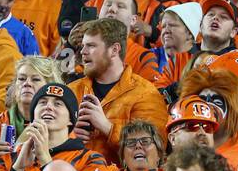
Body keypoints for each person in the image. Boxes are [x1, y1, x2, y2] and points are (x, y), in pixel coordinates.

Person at [68, 17, 170, 163]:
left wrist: (107, 128)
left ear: (114, 50)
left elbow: (155, 151)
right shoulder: (72, 90)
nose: (83, 52)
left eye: (91, 46)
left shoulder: (146, 94)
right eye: (83, 45)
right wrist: (71, 136)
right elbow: (48, 140)